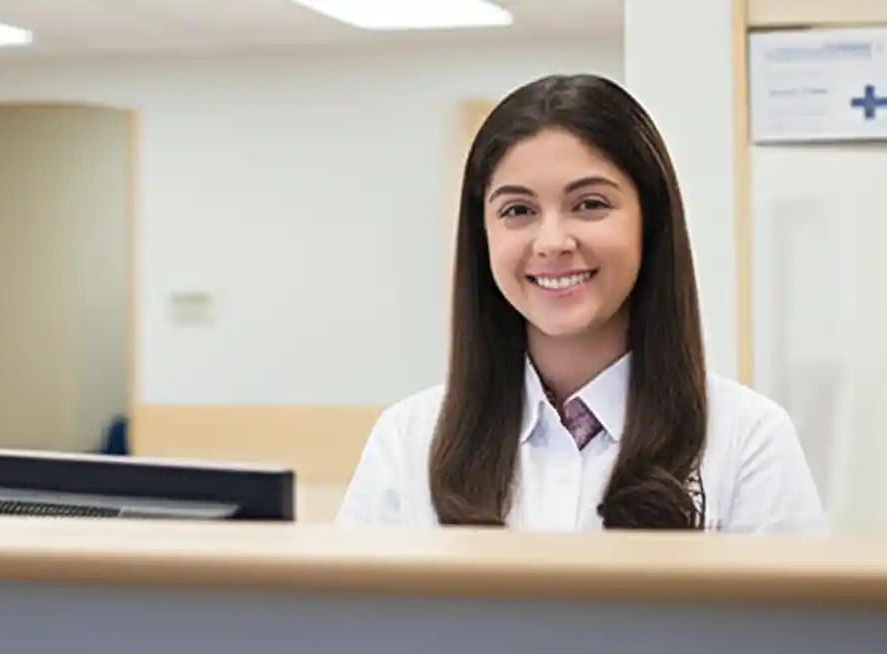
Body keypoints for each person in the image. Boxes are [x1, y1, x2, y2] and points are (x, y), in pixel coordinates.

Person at [336, 74, 827, 532]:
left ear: (650, 222)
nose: (552, 241)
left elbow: (793, 624)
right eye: (518, 210)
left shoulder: (747, 439)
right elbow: (349, 622)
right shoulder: (409, 440)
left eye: (590, 204)